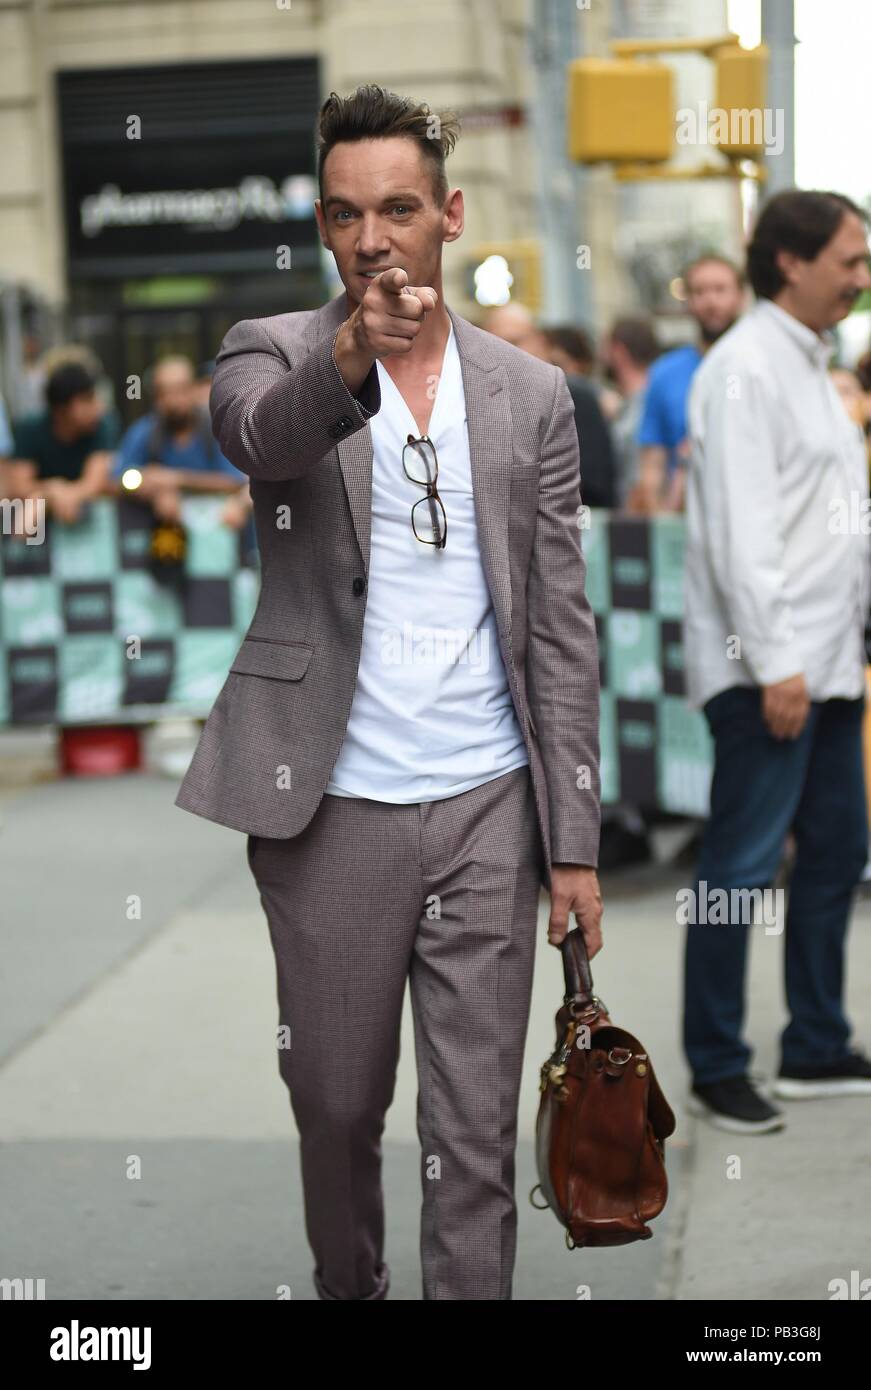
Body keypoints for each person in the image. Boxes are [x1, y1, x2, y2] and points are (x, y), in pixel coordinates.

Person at [174, 82, 603, 1301]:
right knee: (335, 1104)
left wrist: (571, 840)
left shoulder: (530, 395)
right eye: (347, 213)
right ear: (322, 226)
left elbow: (560, 632)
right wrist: (352, 354)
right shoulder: (272, 350)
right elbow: (260, 441)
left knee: (472, 1135)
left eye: (400, 208)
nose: (373, 237)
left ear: (449, 215)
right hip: (330, 807)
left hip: (486, 802)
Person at [683, 188, 871, 1134]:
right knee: (737, 871)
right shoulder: (746, 368)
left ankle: (815, 1044)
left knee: (836, 852)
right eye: (849, 258)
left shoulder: (807, 363)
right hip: (772, 672)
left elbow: (828, 523)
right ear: (790, 262)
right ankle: (716, 1063)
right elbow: (741, 533)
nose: (862, 276)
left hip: (825, 667)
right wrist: (775, 662)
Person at [631, 255, 745, 514]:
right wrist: (660, 519)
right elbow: (652, 464)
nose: (711, 301)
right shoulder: (665, 373)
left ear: (740, 296)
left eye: (720, 289)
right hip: (685, 520)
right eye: (699, 291)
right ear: (688, 301)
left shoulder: (760, 365)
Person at [484, 302, 618, 507]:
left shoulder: (574, 395)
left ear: (541, 342)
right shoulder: (486, 403)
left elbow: (593, 483)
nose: (505, 352)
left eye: (514, 341)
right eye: (495, 344)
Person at [112, 356, 250, 529]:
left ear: (193, 390)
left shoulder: (216, 429)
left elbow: (235, 480)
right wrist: (153, 491)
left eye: (180, 390)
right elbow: (120, 479)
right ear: (156, 398)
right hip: (159, 536)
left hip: (215, 532)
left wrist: (176, 479)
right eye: (165, 393)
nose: (174, 400)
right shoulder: (145, 432)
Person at [5, 360, 117, 524]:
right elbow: (18, 486)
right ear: (61, 409)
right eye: (87, 400)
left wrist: (57, 494)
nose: (97, 408)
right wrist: (51, 490)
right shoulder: (30, 428)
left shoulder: (103, 425)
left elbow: (95, 483)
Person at [601, 316, 660, 505]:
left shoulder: (640, 408)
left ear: (619, 351)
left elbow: (640, 482)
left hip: (635, 523)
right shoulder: (631, 404)